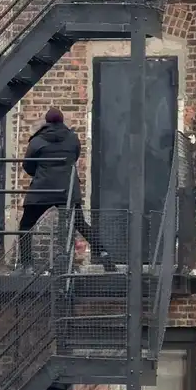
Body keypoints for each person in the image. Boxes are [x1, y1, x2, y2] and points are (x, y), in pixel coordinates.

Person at [18, 108, 115, 272]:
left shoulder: (37, 140)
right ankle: (104, 254)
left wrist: (41, 174)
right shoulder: (72, 138)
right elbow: (74, 157)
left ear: (47, 122)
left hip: (42, 189)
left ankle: (27, 265)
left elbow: (28, 165)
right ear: (62, 121)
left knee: (26, 225)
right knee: (80, 224)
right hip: (67, 190)